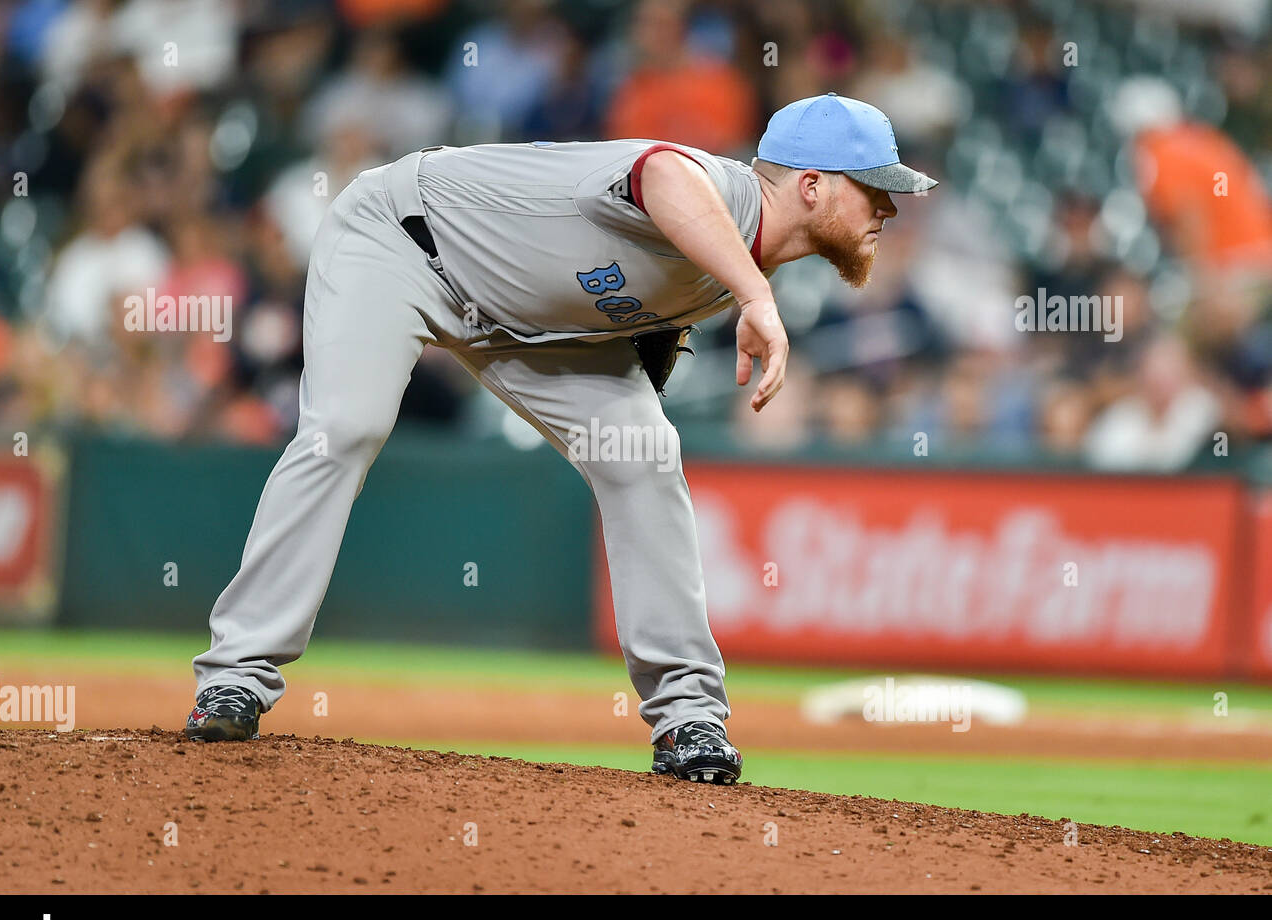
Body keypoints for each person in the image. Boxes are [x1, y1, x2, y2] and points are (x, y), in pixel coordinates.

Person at [185, 93, 936, 784]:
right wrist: (754, 294)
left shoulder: (738, 252)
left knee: (646, 458)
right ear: (812, 186)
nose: (889, 210)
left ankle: (689, 721)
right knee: (343, 428)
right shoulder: (725, 193)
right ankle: (236, 675)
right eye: (874, 188)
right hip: (404, 243)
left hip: (536, 329)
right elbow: (662, 172)